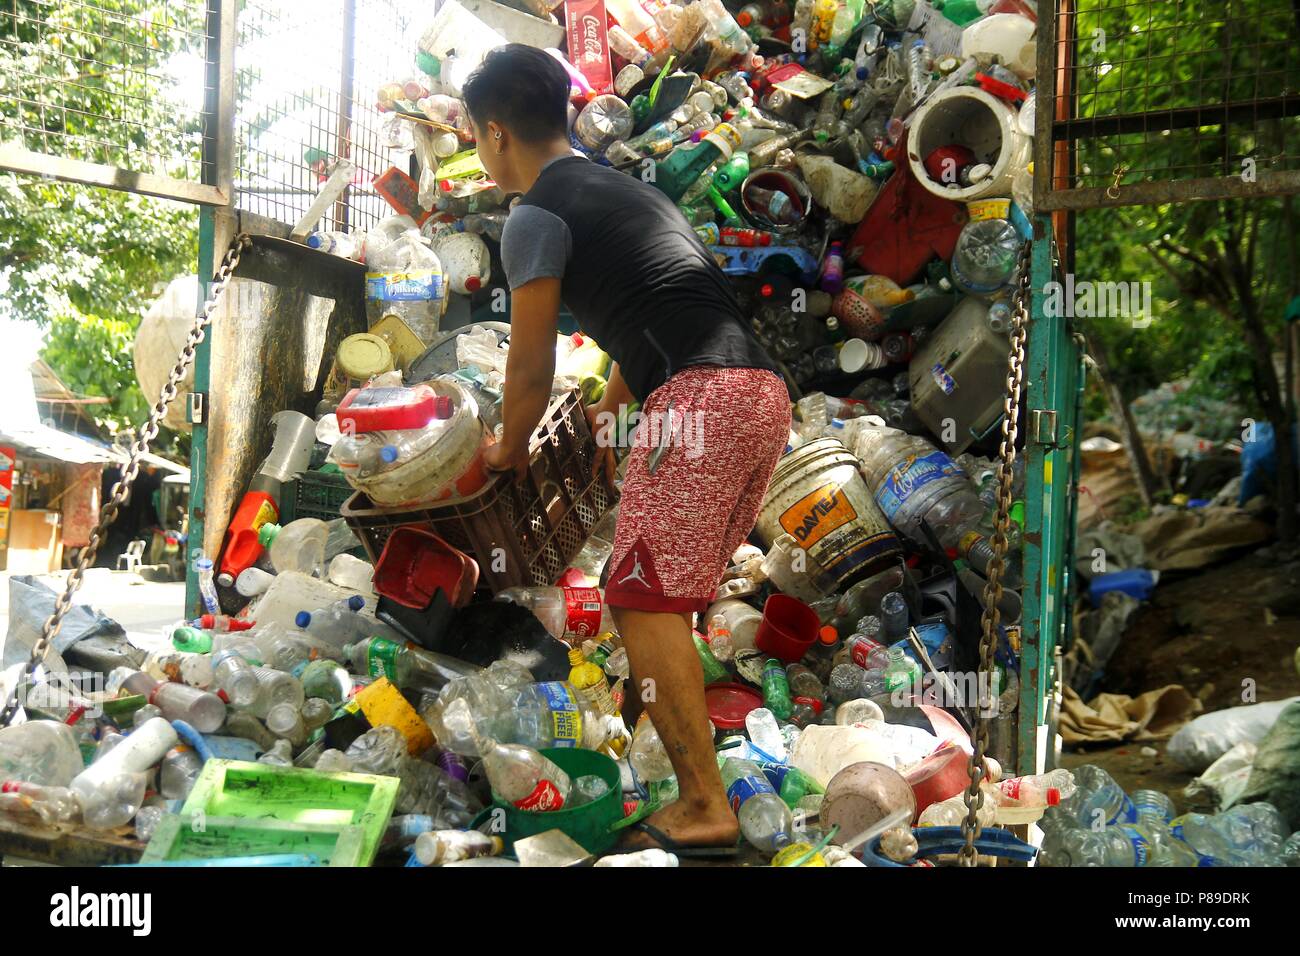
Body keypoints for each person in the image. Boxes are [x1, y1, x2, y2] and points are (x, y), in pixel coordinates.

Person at [466, 45, 791, 855]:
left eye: (474, 134)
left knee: (641, 597)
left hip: (701, 400)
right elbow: (655, 304)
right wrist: (616, 415)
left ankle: (705, 802)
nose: (477, 149)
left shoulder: (535, 215)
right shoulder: (623, 187)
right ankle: (662, 759)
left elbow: (530, 358)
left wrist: (506, 446)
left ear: (496, 132)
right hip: (758, 395)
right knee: (663, 595)